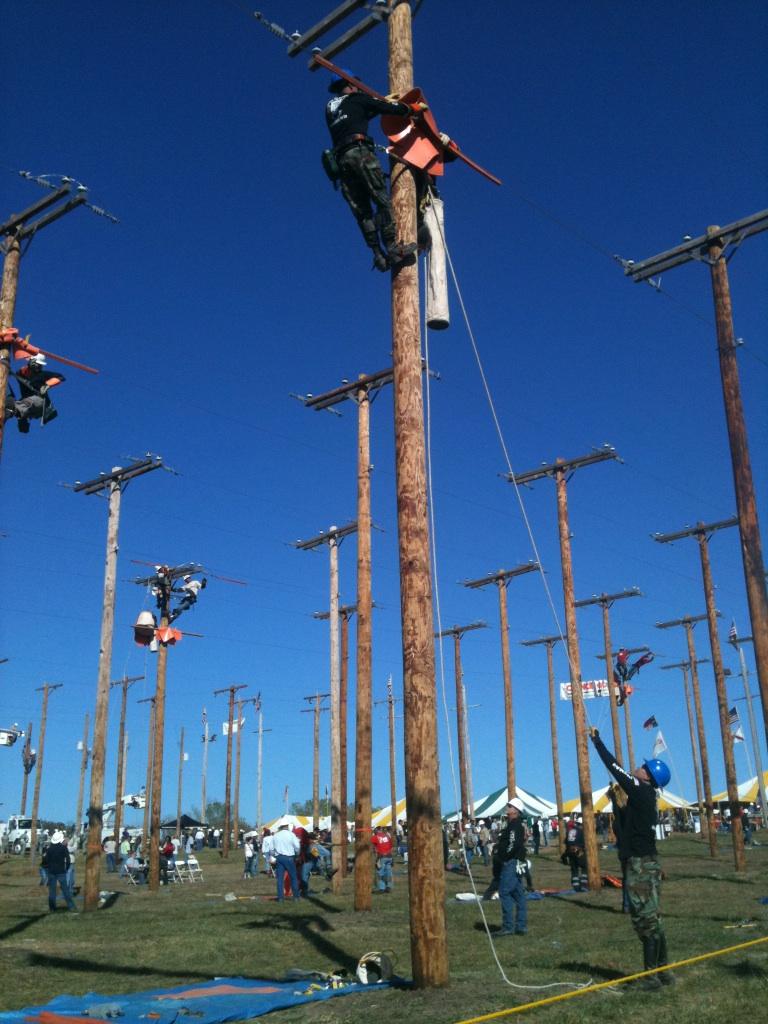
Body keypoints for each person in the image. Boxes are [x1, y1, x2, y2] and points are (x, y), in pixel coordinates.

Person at [589, 726, 673, 989]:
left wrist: (597, 741)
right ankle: (664, 971)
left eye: (643, 767)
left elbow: (615, 768)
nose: (639, 767)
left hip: (640, 864)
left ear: (648, 776)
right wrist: (617, 803)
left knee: (644, 921)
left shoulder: (639, 788)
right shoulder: (646, 797)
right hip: (647, 861)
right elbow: (625, 825)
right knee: (654, 919)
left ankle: (651, 978)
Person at [325, 71, 425, 271]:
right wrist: (409, 108)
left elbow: (357, 115)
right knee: (382, 200)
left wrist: (373, 106)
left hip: (342, 161)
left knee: (363, 213)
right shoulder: (358, 99)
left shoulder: (330, 108)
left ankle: (379, 256)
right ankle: (394, 249)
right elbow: (385, 108)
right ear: (351, 85)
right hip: (360, 154)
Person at [5, 352, 65, 433]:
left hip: (40, 403)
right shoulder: (20, 374)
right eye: (38, 365)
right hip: (28, 406)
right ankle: (22, 418)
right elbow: (19, 372)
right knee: (11, 403)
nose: (40, 367)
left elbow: (60, 377)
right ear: (32, 362)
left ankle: (17, 413)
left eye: (40, 365)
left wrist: (47, 385)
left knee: (22, 404)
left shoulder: (42, 375)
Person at [495, 798, 528, 936]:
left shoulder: (514, 825)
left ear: (515, 810)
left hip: (511, 862)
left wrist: (505, 856)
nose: (507, 808)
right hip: (515, 861)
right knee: (518, 894)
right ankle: (521, 926)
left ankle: (508, 926)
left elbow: (513, 844)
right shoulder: (513, 825)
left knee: (504, 892)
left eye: (509, 806)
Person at [42, 831, 77, 912]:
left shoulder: (49, 849)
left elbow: (45, 861)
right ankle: (71, 906)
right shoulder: (63, 848)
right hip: (61, 871)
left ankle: (52, 908)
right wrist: (67, 868)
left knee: (52, 891)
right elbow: (68, 860)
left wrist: (48, 868)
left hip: (51, 872)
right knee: (65, 890)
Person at [272, 823, 300, 901]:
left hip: (279, 857)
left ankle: (280, 897)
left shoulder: (276, 835)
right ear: (287, 826)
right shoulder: (291, 834)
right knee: (293, 878)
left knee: (280, 879)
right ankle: (296, 897)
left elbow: (272, 848)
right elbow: (297, 846)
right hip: (289, 857)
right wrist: (297, 854)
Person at [564, 817, 587, 891]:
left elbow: (566, 842)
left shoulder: (570, 831)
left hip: (570, 852)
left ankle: (575, 886)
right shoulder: (581, 831)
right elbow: (584, 843)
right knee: (584, 867)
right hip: (578, 851)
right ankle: (583, 885)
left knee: (574, 869)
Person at [371, 825, 394, 893]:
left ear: (377, 830)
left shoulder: (375, 837)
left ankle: (381, 888)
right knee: (388, 873)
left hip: (382, 857)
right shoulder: (387, 836)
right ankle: (389, 886)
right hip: (389, 856)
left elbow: (368, 843)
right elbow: (391, 846)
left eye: (375, 830)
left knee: (380, 873)